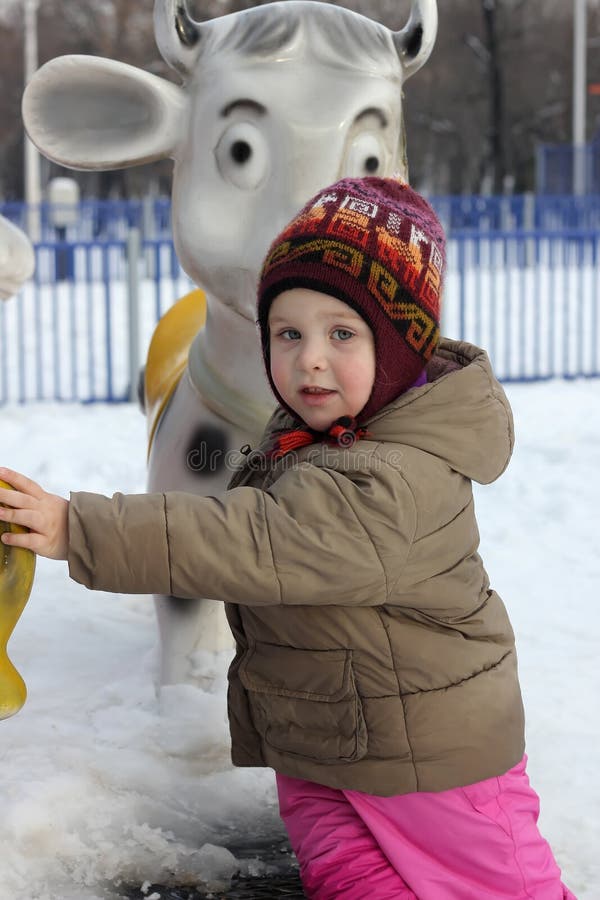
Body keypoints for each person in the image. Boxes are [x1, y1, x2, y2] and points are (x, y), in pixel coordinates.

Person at [0, 177, 574, 899]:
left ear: (399, 349)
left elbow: (251, 541)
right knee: (351, 881)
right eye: (288, 333)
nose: (309, 359)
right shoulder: (321, 435)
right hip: (333, 746)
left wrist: (75, 528)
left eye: (342, 334)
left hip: (433, 762)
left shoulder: (394, 477)